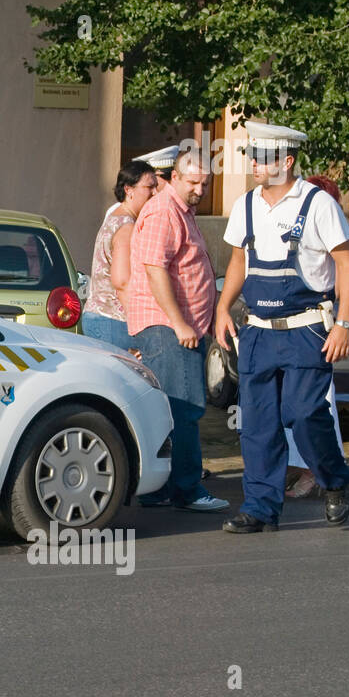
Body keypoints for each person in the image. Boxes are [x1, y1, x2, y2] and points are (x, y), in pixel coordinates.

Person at [213, 123, 349, 533]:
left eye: (262, 157)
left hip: (307, 330)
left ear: (287, 162)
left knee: (304, 412)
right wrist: (224, 307)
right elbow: (240, 260)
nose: (254, 163)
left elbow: (346, 263)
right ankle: (260, 508)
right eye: (252, 155)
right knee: (257, 425)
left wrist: (344, 323)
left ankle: (333, 480)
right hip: (258, 331)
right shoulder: (245, 205)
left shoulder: (318, 204)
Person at [126, 149, 230, 512]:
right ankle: (189, 489)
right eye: (193, 182)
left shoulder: (181, 211)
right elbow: (156, 269)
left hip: (177, 327)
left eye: (205, 183)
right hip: (168, 328)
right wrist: (179, 321)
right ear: (174, 178)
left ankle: (161, 489)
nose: (199, 189)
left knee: (170, 410)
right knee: (184, 409)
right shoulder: (164, 211)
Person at [285, 175, 346, 498]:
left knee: (318, 403)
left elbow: (337, 279)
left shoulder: (329, 230)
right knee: (302, 401)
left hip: (316, 324)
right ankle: (305, 468)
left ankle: (315, 472)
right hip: (300, 326)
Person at [84, 160, 157, 353]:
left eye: (155, 187)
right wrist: (139, 328)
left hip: (102, 318)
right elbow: (123, 281)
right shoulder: (127, 227)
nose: (154, 193)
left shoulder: (115, 217)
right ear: (128, 189)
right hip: (113, 321)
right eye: (149, 187)